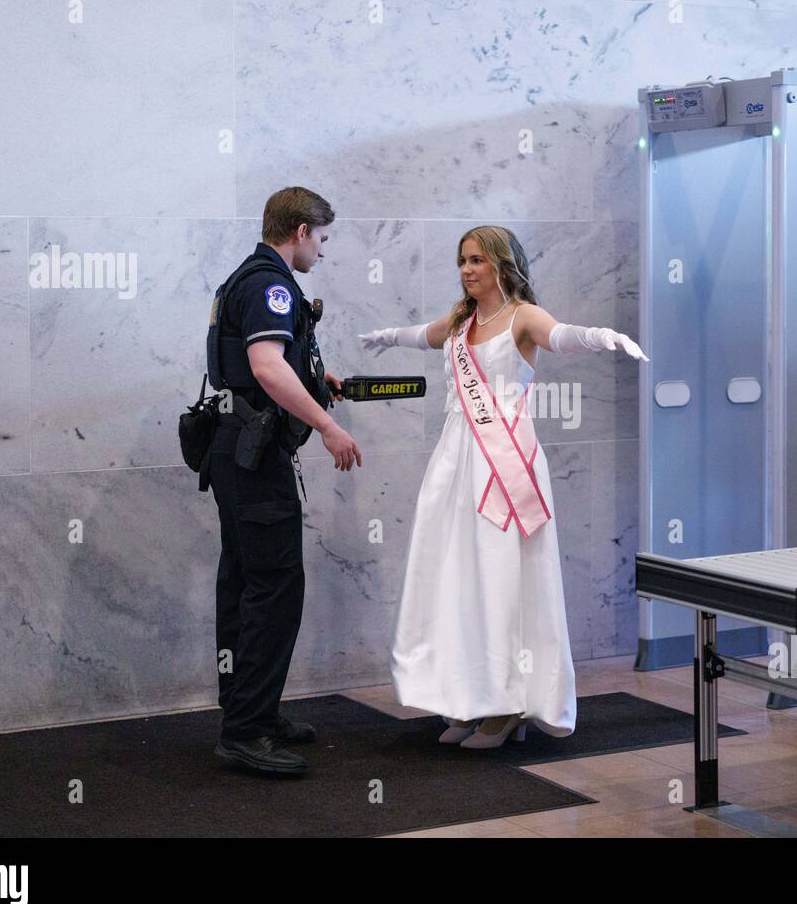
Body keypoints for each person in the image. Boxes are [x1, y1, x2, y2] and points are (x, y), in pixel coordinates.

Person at [360, 226, 647, 749]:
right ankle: (470, 698)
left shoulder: (521, 316)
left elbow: (562, 335)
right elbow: (421, 334)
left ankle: (509, 706)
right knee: (456, 577)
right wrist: (385, 337)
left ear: (501, 264)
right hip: (455, 462)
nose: (467, 270)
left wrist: (605, 337)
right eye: (462, 261)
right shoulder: (458, 322)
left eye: (476, 261)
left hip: (505, 464)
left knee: (501, 578)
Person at [206, 186, 362, 775]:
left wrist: (321, 383)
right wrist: (326, 426)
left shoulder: (248, 278)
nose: (322, 252)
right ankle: (246, 729)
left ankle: (254, 713)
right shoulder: (271, 284)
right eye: (321, 240)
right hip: (255, 457)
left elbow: (273, 367)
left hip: (239, 450)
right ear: (299, 231)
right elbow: (265, 366)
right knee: (273, 587)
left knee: (248, 582)